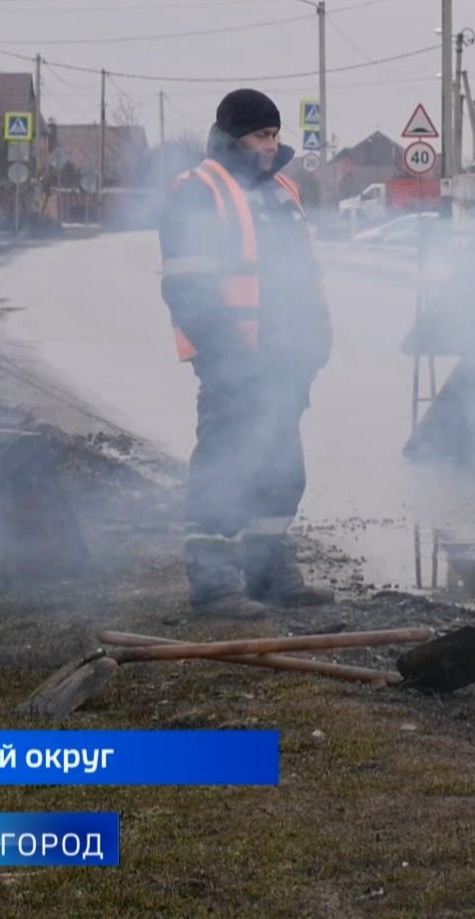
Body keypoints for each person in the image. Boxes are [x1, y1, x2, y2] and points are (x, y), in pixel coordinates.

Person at [159, 89, 334, 616]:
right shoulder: (199, 191)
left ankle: (268, 574)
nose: (270, 145)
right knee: (225, 469)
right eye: (262, 135)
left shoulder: (282, 189)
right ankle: (212, 587)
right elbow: (186, 287)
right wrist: (227, 356)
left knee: (281, 471)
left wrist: (315, 342)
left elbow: (300, 275)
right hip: (234, 363)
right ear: (235, 137)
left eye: (276, 135)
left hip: (284, 364)